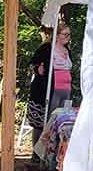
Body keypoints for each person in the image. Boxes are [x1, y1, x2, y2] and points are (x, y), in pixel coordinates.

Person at [27, 23, 73, 154]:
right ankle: (36, 154)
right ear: (57, 36)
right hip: (46, 92)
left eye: (69, 34)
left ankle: (52, 155)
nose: (67, 37)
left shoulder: (67, 50)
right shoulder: (47, 48)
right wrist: (38, 69)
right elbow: (33, 64)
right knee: (42, 122)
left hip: (64, 91)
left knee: (58, 122)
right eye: (65, 34)